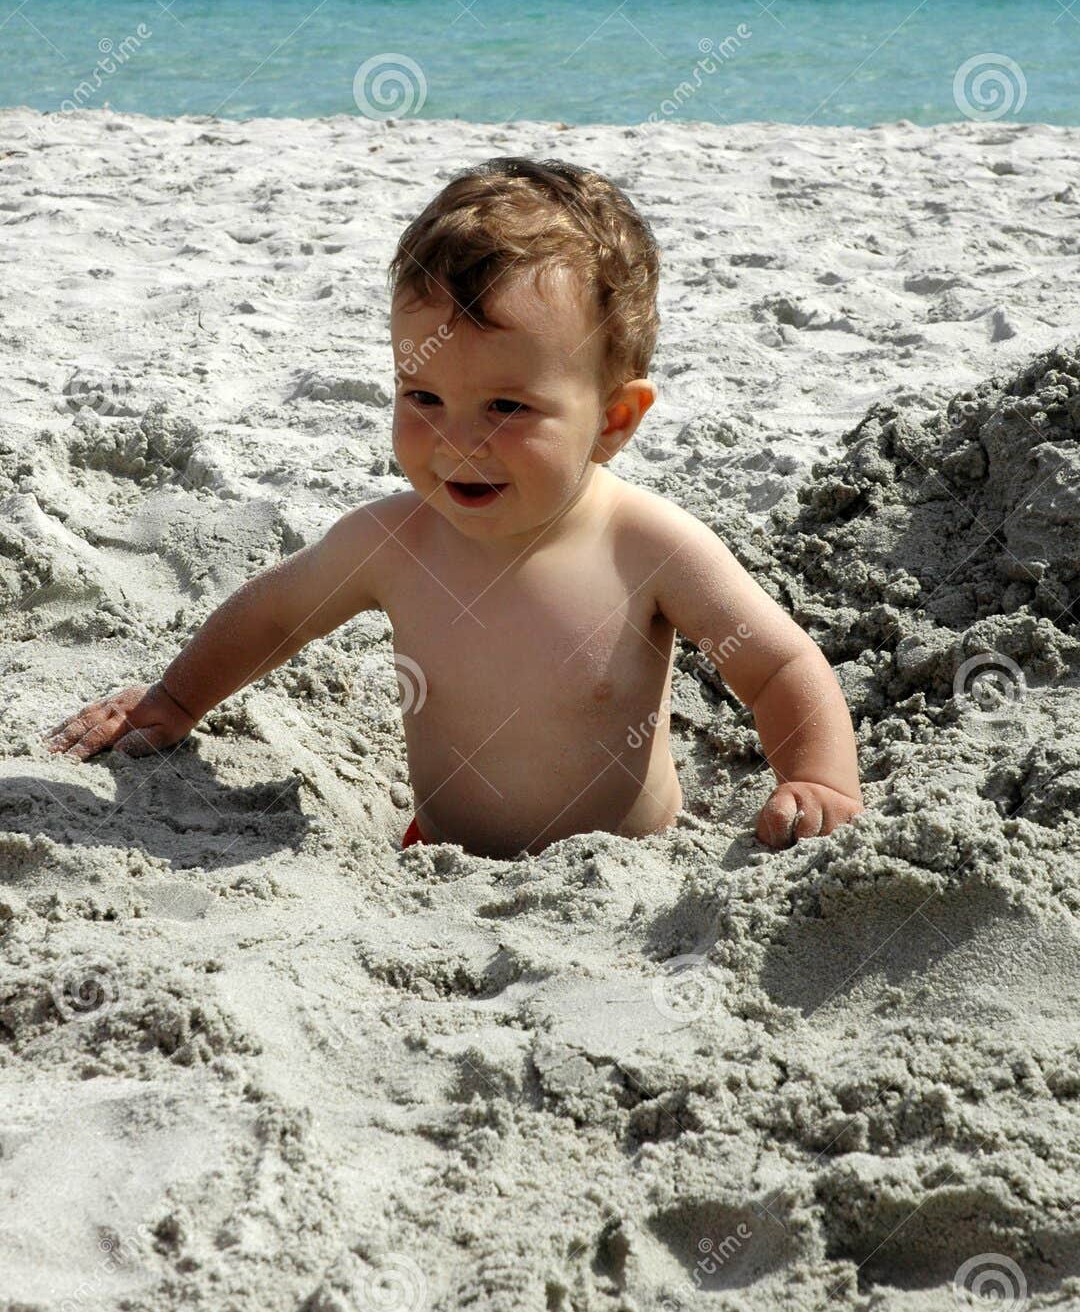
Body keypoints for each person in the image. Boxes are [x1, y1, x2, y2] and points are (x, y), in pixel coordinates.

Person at [45, 157, 863, 860]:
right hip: (431, 860)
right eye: (424, 396)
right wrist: (177, 699)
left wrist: (817, 776)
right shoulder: (393, 540)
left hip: (626, 873)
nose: (457, 442)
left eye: (507, 407)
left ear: (613, 420)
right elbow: (275, 616)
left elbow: (779, 668)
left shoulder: (648, 546)